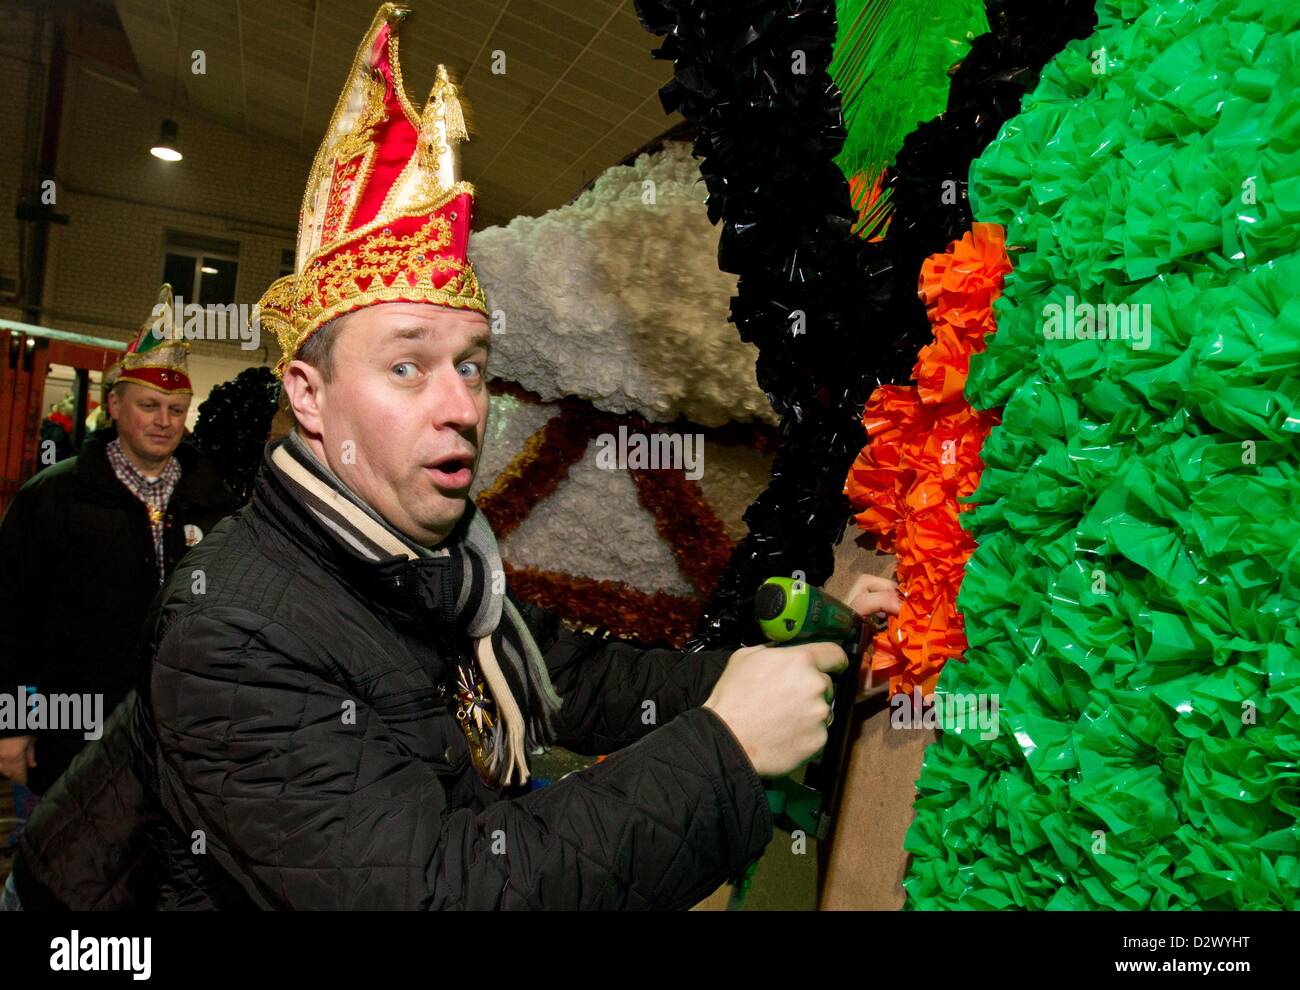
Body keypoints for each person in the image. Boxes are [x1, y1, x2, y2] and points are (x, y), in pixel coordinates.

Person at [7, 4, 900, 910]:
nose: (461, 407)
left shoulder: (442, 559)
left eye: (471, 366)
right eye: (407, 366)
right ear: (309, 397)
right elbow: (440, 894)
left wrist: (790, 650)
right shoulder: (234, 634)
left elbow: (582, 680)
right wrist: (722, 750)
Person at [0, 286, 239, 802]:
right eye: (150, 405)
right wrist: (11, 725)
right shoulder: (55, 497)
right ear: (114, 404)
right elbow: (11, 616)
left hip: (182, 738)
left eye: (177, 409)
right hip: (72, 732)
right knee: (62, 868)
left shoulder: (212, 502)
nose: (164, 421)